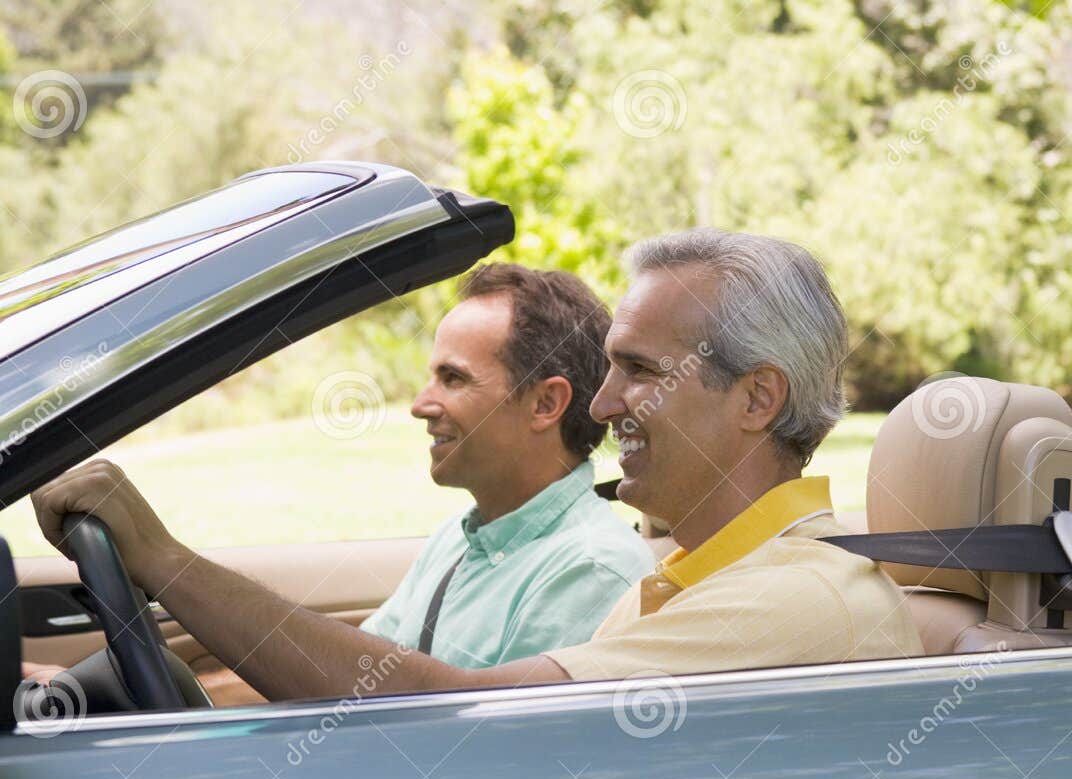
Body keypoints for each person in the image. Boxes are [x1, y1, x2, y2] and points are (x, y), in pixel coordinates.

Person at [31, 229, 922, 701]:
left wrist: (163, 558)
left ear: (756, 399)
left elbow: (446, 712)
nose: (603, 407)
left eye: (640, 372)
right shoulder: (689, 580)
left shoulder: (790, 602)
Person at [358, 263, 653, 668]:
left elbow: (494, 732)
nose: (419, 405)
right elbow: (358, 671)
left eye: (454, 378)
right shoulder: (458, 538)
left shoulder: (590, 570)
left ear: (545, 404)